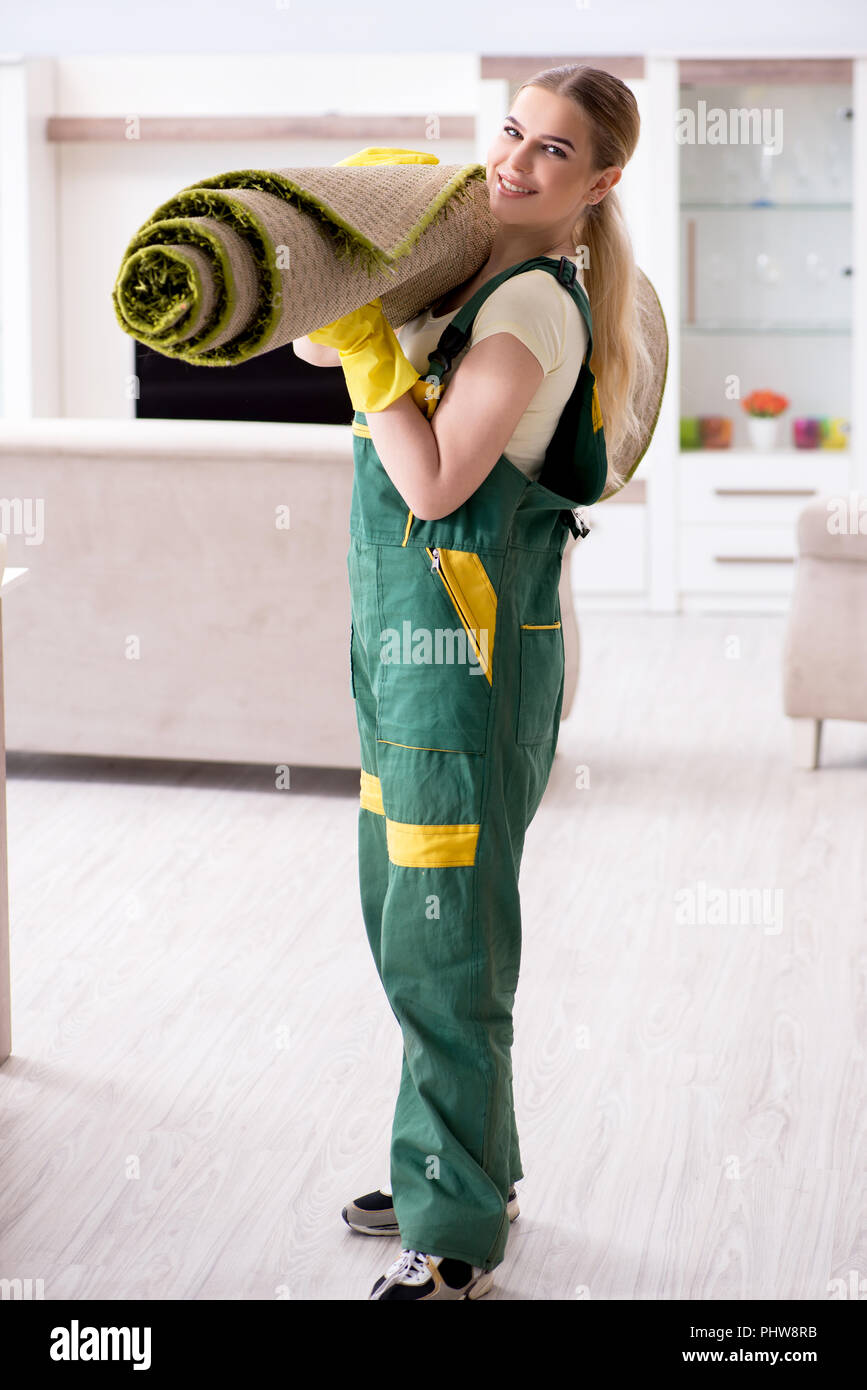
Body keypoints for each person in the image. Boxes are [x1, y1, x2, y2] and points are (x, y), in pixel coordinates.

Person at [294, 63, 652, 1301]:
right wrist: (369, 320)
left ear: (599, 182)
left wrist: (368, 357)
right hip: (410, 663)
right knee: (406, 927)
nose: (515, 161)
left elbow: (438, 482)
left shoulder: (535, 309)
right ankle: (461, 1161)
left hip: (472, 667)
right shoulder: (477, 285)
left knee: (447, 947)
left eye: (555, 151)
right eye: (511, 131)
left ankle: (453, 1242)